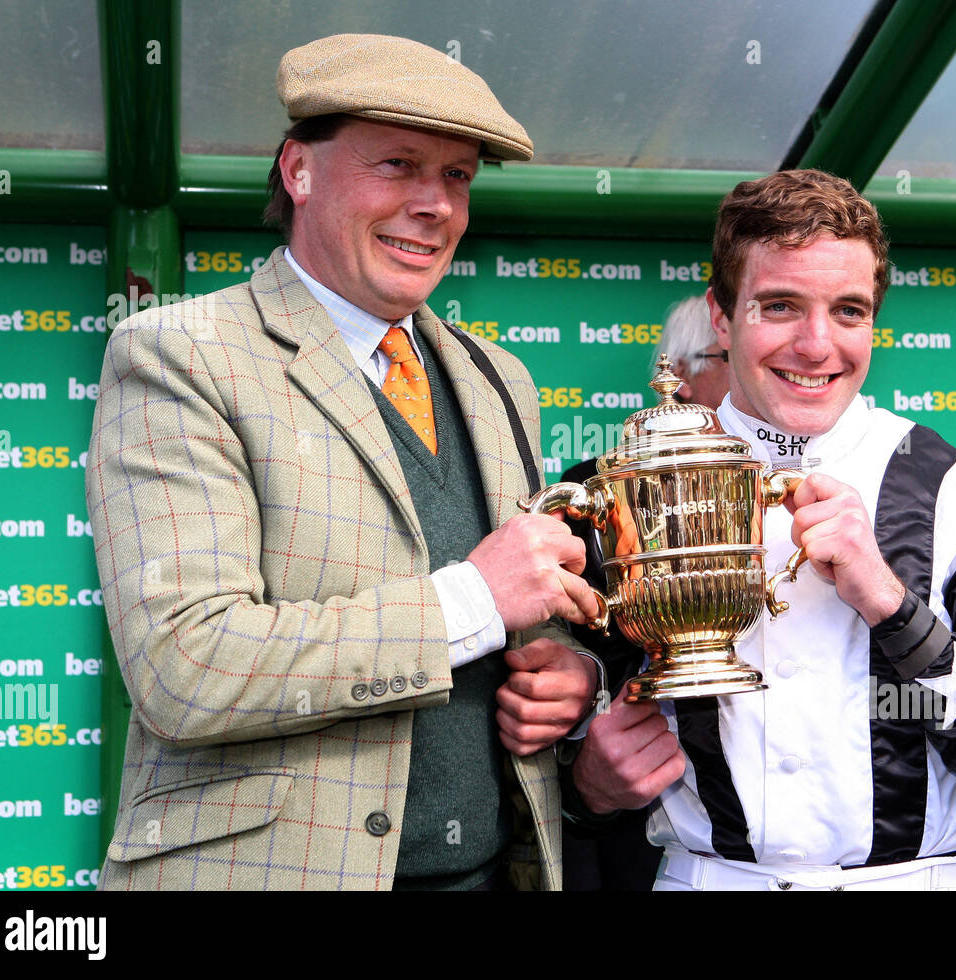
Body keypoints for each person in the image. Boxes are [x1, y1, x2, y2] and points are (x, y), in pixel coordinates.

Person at [86, 34, 604, 891]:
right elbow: (188, 667)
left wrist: (567, 676)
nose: (434, 204)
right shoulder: (178, 353)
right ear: (299, 170)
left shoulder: (495, 376)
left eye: (457, 176)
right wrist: (469, 599)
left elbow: (520, 612)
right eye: (399, 164)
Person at [568, 169, 956, 890]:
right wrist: (585, 783)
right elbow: (544, 742)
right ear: (721, 315)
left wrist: (893, 608)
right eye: (779, 306)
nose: (817, 346)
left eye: (849, 311)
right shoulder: (613, 490)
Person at [559, 294, 730, 890]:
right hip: (642, 824)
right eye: (729, 358)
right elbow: (562, 650)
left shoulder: (803, 491)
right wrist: (590, 687)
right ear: (678, 373)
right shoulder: (594, 490)